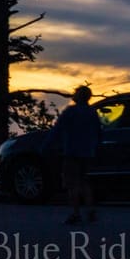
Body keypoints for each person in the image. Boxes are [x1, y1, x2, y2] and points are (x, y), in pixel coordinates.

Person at [45, 85, 101, 224]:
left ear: (78, 96)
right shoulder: (92, 112)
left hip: (72, 152)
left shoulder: (71, 112)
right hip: (87, 152)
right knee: (84, 181)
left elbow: (57, 130)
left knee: (72, 183)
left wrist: (47, 145)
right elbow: (99, 132)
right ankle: (90, 209)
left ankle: (76, 213)